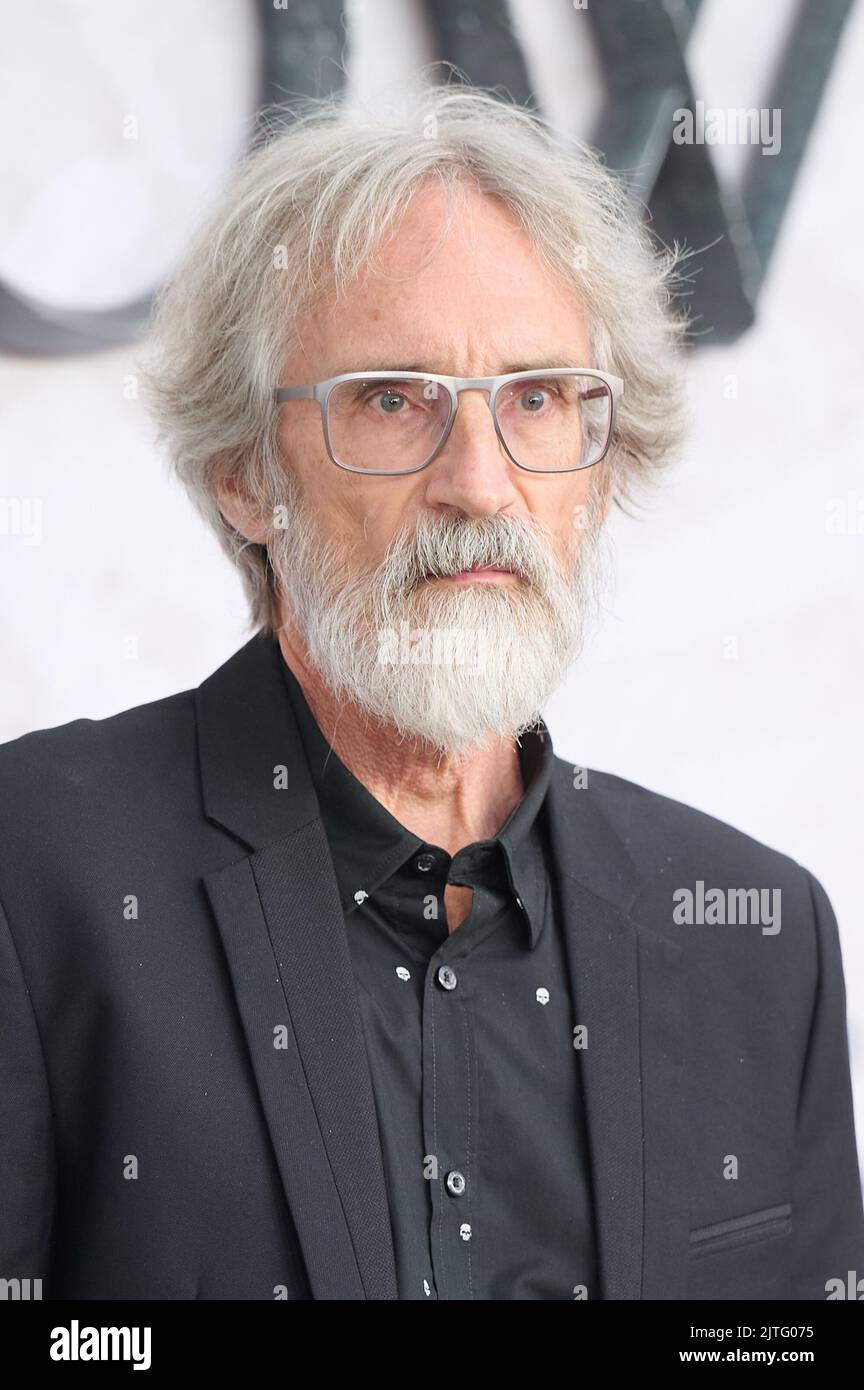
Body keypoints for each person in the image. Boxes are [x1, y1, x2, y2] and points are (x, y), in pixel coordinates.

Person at [1, 85, 861, 1301]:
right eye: (394, 399)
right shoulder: (35, 873)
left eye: (538, 399)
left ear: (600, 476)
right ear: (249, 476)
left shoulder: (763, 941)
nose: (480, 482)